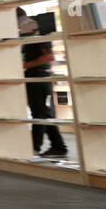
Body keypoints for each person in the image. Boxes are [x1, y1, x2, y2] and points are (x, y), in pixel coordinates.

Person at [18, 8, 66, 157]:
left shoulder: (38, 31)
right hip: (32, 77)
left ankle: (34, 148)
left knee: (40, 113)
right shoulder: (26, 33)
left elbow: (48, 57)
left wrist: (25, 66)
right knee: (44, 113)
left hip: (40, 78)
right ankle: (58, 146)